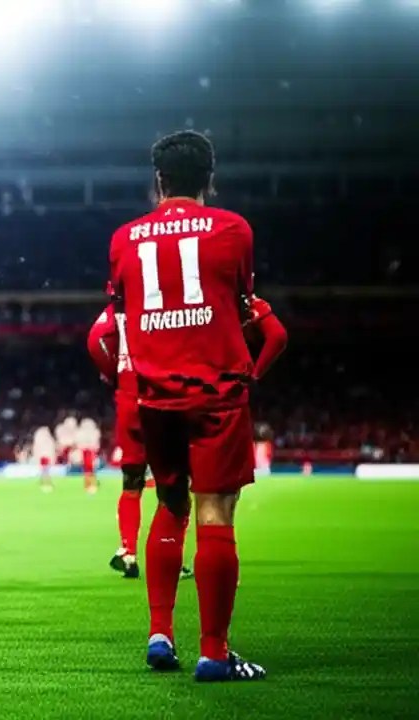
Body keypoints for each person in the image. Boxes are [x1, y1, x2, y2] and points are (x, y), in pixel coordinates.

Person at [109, 130, 270, 681]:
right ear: (209, 179)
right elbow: (244, 305)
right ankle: (214, 654)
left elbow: (121, 318)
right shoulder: (234, 230)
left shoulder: (124, 239)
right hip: (217, 396)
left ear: (159, 182)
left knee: (170, 508)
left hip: (155, 398)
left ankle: (159, 634)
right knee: (215, 515)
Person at [89, 291, 286, 581]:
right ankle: (180, 558)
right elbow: (276, 336)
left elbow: (95, 341)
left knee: (131, 482)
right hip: (168, 394)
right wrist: (252, 376)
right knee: (177, 487)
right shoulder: (169, 300)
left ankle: (129, 551)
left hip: (129, 398)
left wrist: (113, 374)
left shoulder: (115, 310)